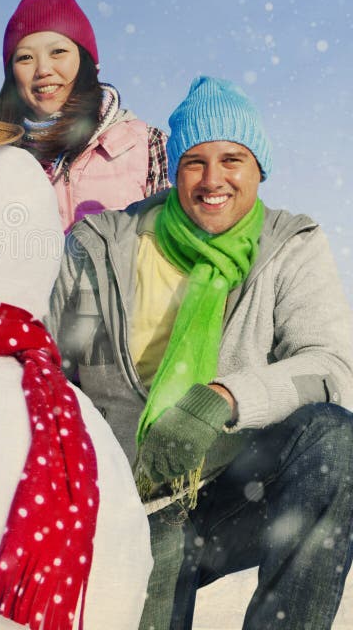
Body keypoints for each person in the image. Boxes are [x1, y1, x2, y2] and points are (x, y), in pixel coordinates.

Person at [48, 75, 353, 629]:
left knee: (335, 438)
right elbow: (50, 372)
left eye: (232, 159)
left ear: (259, 168)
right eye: (195, 162)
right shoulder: (101, 247)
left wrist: (221, 398)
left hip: (233, 490)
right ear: (175, 170)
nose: (213, 180)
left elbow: (329, 366)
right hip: (128, 503)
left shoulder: (289, 245)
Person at [0, 0, 169, 231]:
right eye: (25, 57)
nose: (43, 69)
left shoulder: (148, 145)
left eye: (58, 52)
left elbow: (174, 241)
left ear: (85, 61)